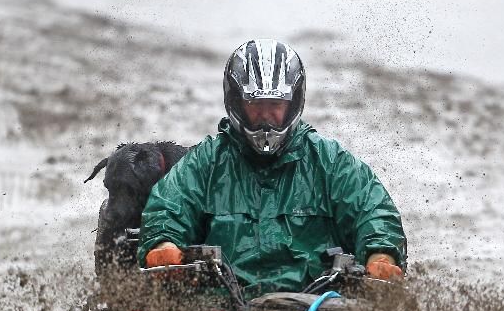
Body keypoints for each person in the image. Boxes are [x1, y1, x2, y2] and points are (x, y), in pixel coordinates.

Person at [137, 39, 407, 294]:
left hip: (316, 309)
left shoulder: (331, 162)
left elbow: (374, 211)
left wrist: (381, 254)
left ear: (293, 103)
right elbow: (168, 206)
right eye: (256, 105)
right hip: (221, 310)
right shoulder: (206, 162)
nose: (266, 116)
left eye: (275, 105)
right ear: (236, 103)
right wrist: (164, 244)